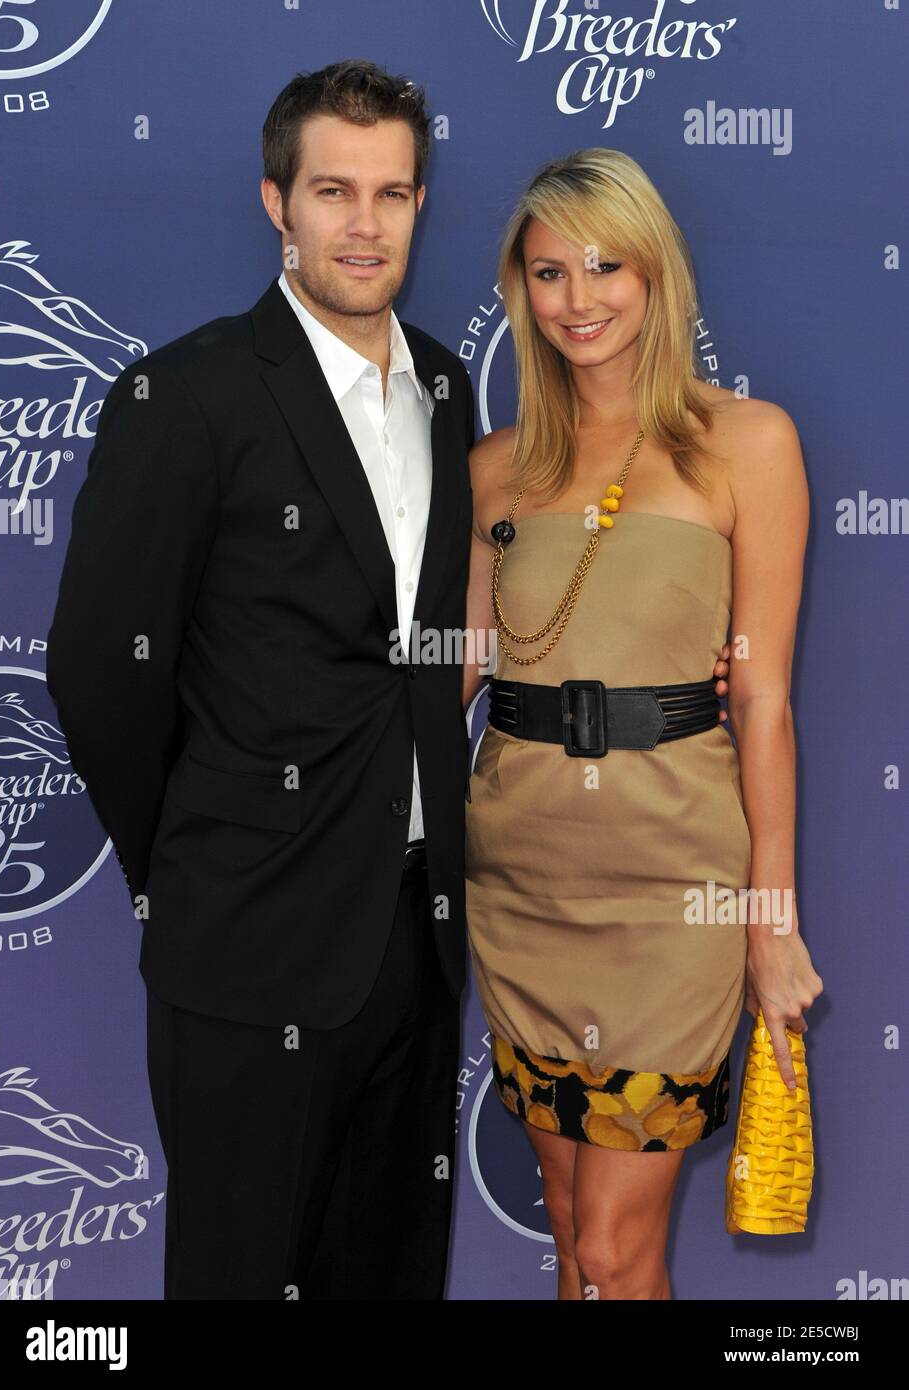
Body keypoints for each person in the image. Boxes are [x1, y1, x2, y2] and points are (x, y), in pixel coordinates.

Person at [45, 59, 475, 1300]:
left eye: (392, 193)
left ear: (419, 204)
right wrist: (196, 854)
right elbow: (99, 671)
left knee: (388, 1278)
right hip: (245, 940)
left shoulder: (445, 387)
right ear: (275, 203)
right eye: (333, 190)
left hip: (415, 934)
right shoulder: (186, 397)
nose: (364, 223)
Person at [462, 147, 822, 1301]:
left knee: (619, 1255)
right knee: (574, 1240)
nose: (581, 298)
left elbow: (763, 697)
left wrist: (771, 923)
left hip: (675, 896)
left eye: (608, 265)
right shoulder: (494, 471)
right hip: (519, 888)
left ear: (658, 273)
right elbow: (447, 678)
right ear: (522, 290)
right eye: (552, 271)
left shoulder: (748, 444)